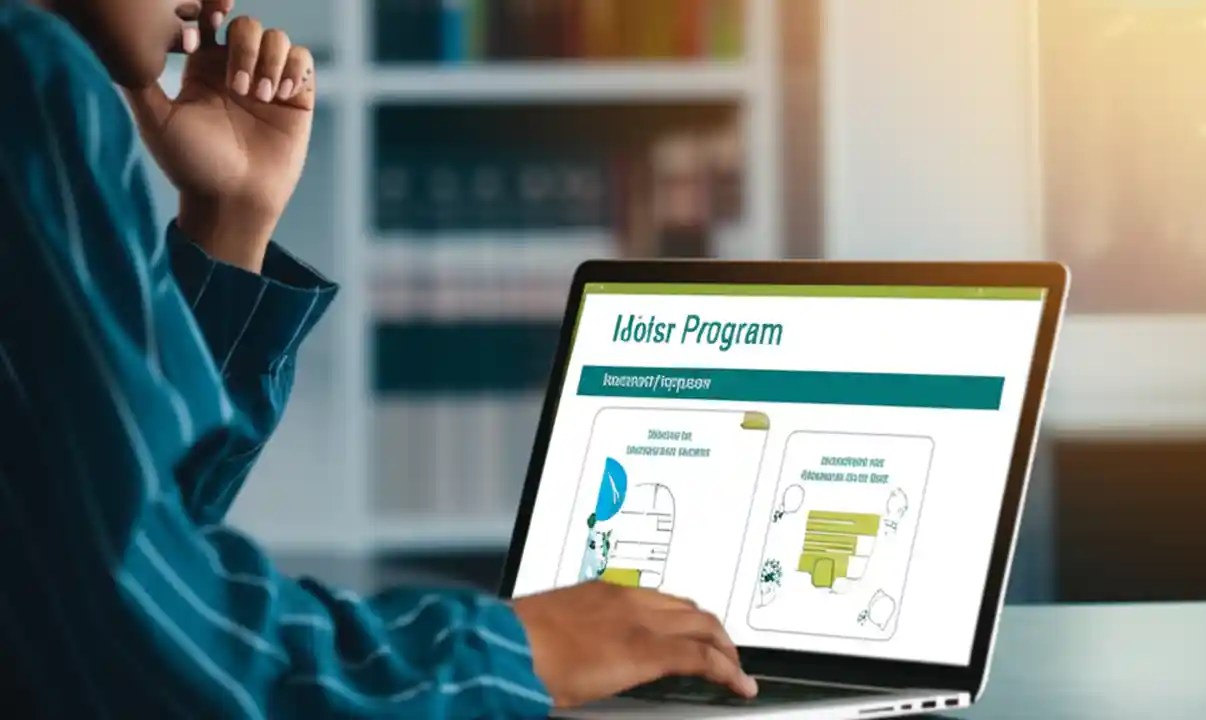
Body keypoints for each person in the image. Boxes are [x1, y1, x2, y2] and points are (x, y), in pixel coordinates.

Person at [0, 0, 757, 716]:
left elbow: (128, 556)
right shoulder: (27, 73)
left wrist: (233, 215)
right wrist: (517, 649)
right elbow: (137, 631)